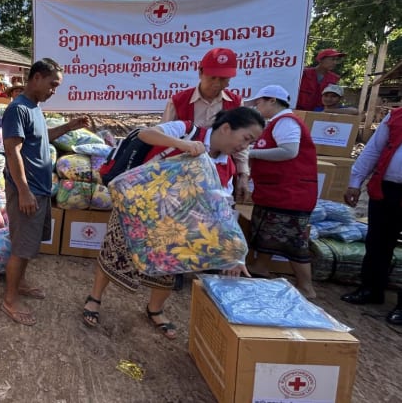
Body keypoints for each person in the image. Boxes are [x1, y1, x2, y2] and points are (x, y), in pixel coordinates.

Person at [81, 107, 264, 337]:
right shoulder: (187, 130)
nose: (245, 146)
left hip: (175, 225)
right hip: (138, 209)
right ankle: (95, 298)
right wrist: (183, 145)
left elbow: (223, 213)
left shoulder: (226, 166)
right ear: (226, 128)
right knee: (114, 251)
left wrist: (235, 255)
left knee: (168, 268)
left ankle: (155, 309)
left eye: (251, 142)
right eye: (246, 138)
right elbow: (145, 134)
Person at [1, 58, 91, 326]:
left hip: (39, 189)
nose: (54, 90)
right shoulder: (17, 109)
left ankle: (21, 283)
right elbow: (12, 151)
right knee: (20, 247)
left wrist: (71, 126)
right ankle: (9, 300)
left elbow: (42, 137)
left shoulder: (34, 108)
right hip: (26, 191)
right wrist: (24, 191)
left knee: (29, 245)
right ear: (37, 77)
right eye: (53, 84)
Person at [244, 85, 318, 298]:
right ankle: (260, 266)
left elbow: (289, 151)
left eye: (259, 103)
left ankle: (306, 286)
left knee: (293, 240)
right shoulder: (274, 123)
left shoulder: (286, 122)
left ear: (272, 101)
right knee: (267, 231)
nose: (257, 107)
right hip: (275, 191)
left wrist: (253, 153)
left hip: (290, 193)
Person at [161, 47, 250, 202]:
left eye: (223, 79)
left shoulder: (236, 103)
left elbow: (240, 143)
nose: (216, 84)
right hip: (182, 176)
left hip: (220, 177)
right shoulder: (178, 101)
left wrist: (243, 174)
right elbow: (162, 140)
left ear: (230, 80)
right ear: (200, 73)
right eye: (212, 77)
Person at [340, 108, 402, 326]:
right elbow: (373, 150)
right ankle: (371, 289)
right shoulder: (396, 116)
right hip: (387, 188)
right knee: (377, 241)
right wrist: (355, 182)